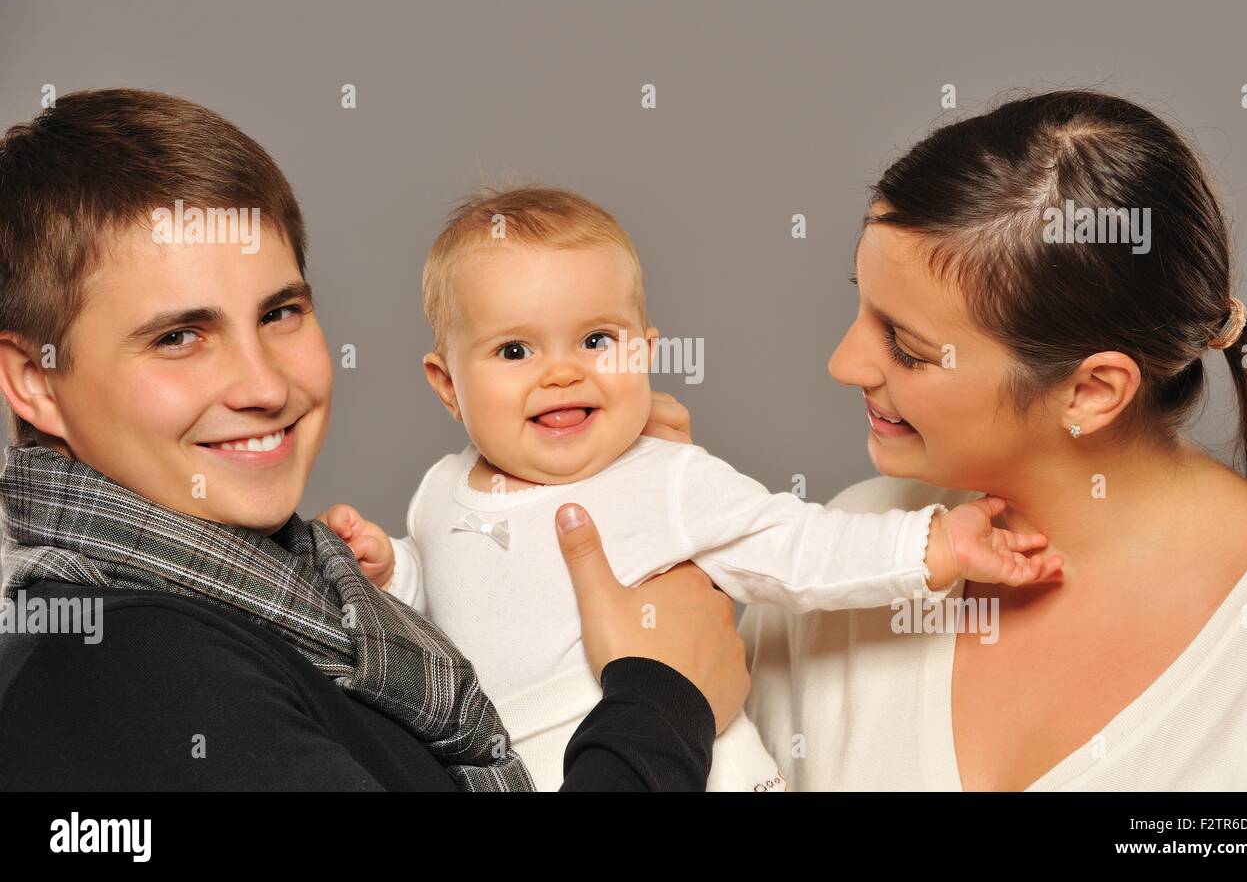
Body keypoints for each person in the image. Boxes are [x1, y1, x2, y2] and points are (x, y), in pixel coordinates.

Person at [0, 88, 745, 791]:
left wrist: (632, 498)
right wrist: (662, 700)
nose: (263, 386)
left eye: (280, 313)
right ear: (35, 379)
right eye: (178, 336)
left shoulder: (303, 600)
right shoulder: (110, 666)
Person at [315, 184, 1063, 791]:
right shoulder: (440, 489)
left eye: (597, 340)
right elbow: (446, 592)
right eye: (515, 349)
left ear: (645, 351)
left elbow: (792, 543)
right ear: (448, 385)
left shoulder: (665, 478)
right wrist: (393, 569)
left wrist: (935, 541)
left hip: (699, 771)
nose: (563, 371)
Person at [738, 89, 1247, 791]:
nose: (844, 364)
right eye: (862, 301)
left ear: (1091, 391)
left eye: (908, 349)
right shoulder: (840, 556)